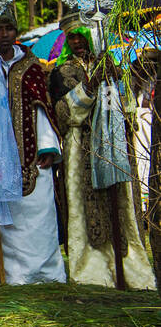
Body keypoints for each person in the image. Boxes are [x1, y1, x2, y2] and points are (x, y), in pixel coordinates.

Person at [49, 22, 155, 289]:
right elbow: (65, 114)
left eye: (82, 36)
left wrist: (116, 82)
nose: (77, 42)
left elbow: (128, 106)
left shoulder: (113, 67)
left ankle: (129, 269)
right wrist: (90, 85)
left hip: (115, 146)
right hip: (80, 146)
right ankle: (94, 269)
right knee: (85, 209)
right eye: (72, 37)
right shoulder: (62, 72)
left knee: (121, 206)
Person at [0, 9, 65, 285]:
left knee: (38, 214)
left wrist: (47, 146)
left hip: (31, 156)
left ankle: (43, 271)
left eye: (9, 29)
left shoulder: (31, 67)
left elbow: (43, 107)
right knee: (2, 217)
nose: (4, 35)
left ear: (16, 32)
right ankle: (4, 273)